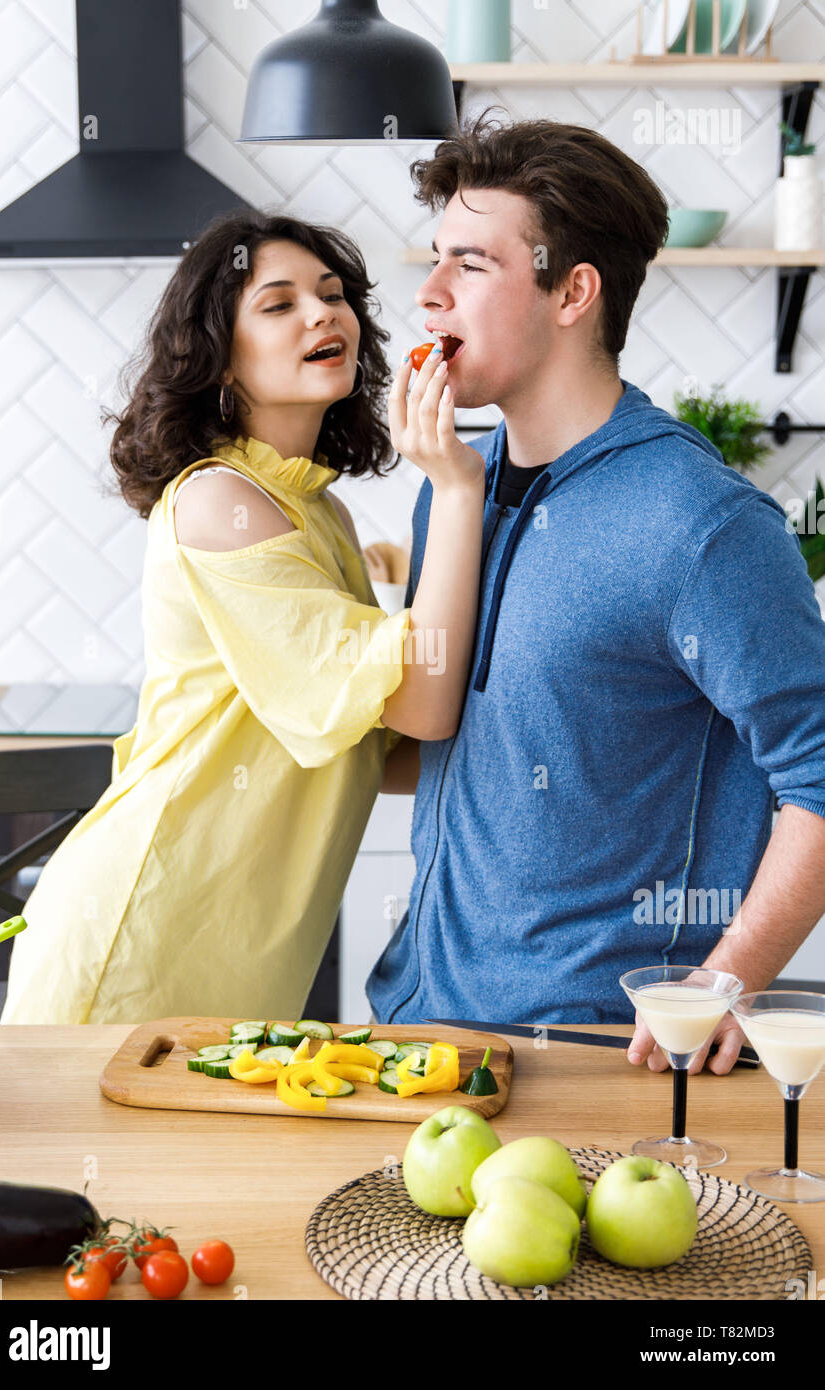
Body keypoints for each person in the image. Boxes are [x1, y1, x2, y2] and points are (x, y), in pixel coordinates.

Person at [366, 113, 825, 1077]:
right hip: (422, 1031)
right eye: (436, 258)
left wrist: (724, 979)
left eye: (472, 265)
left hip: (595, 1055)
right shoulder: (454, 485)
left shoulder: (698, 524)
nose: (430, 292)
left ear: (574, 291)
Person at [0, 209, 485, 1025]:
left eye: (333, 296)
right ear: (219, 359)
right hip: (142, 938)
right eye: (279, 303)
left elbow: (375, 745)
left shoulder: (314, 509)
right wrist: (459, 484)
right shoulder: (220, 502)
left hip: (234, 953)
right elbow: (422, 702)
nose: (323, 314)